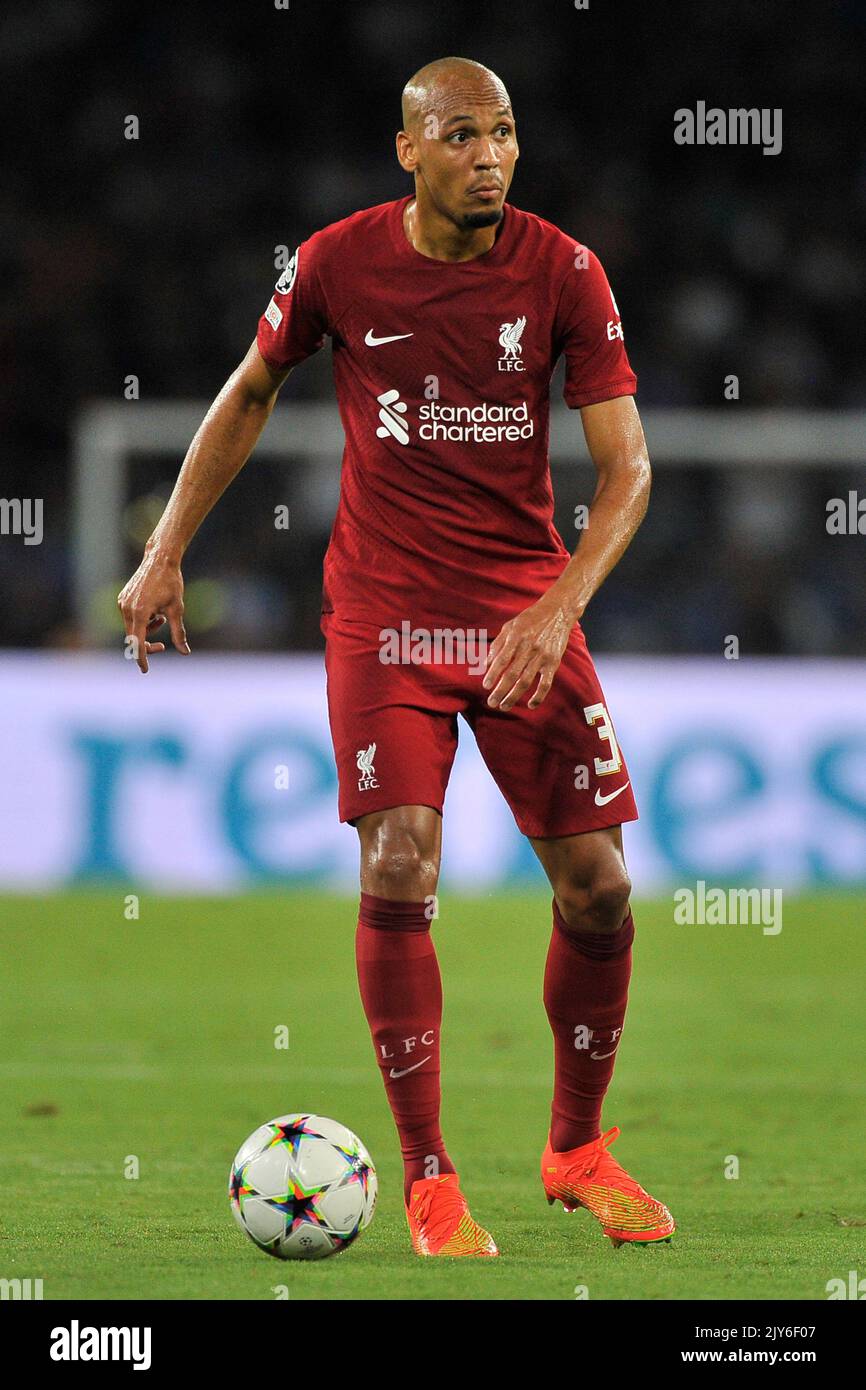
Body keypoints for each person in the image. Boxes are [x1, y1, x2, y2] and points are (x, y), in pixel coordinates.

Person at [118, 55, 674, 1257]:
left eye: (505, 134)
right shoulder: (334, 262)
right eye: (462, 135)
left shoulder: (565, 272)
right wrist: (165, 550)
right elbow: (251, 389)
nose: (490, 156)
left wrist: (559, 604)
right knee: (400, 860)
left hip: (525, 613)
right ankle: (427, 1179)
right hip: (387, 617)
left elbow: (628, 471)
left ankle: (576, 1147)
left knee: (600, 888)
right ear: (409, 149)